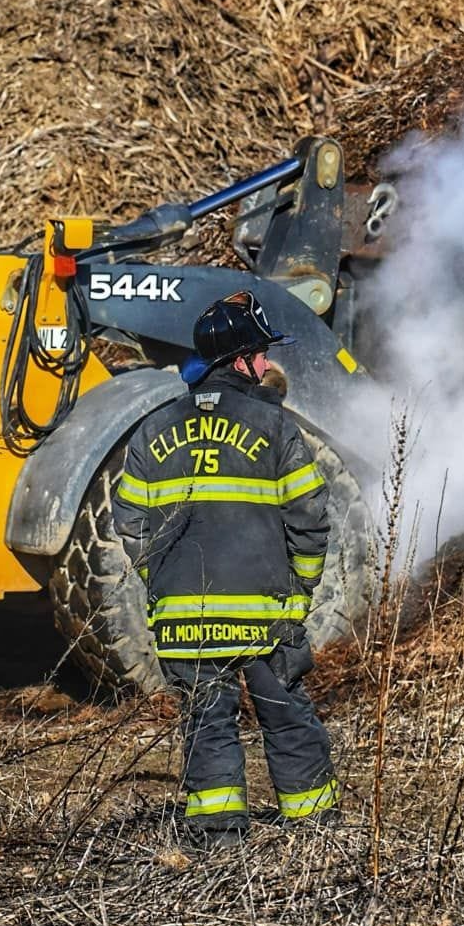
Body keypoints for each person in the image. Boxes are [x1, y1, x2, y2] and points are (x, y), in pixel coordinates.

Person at [112, 291, 339, 848]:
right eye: (260, 354)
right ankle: (313, 836)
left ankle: (218, 842)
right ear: (239, 361)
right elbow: (310, 522)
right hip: (265, 620)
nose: (266, 365)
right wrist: (297, 597)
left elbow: (131, 524)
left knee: (206, 723)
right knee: (285, 716)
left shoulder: (151, 430)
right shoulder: (276, 428)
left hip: (185, 619)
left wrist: (163, 584)